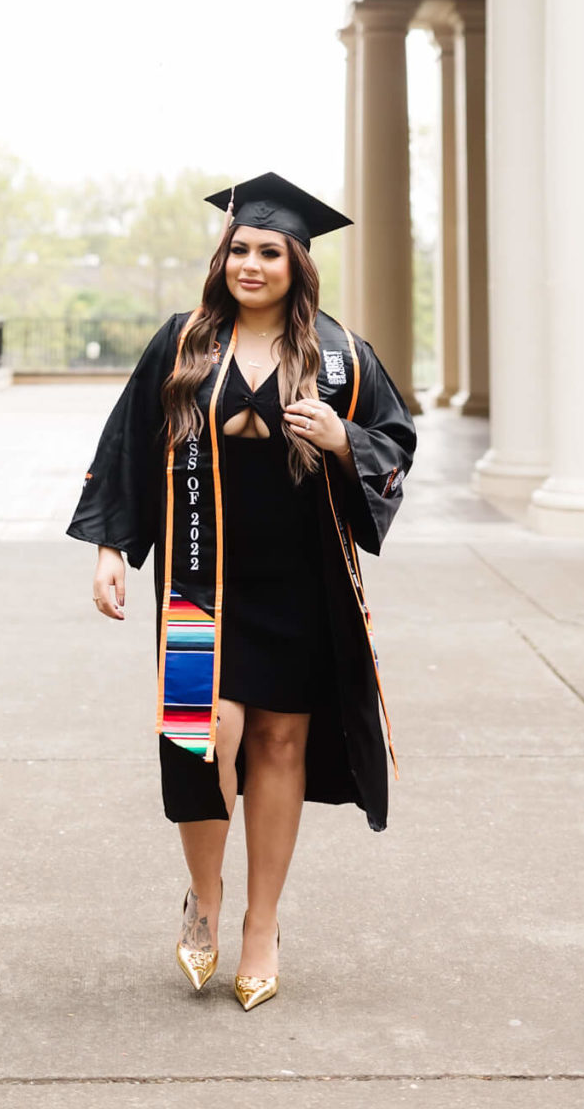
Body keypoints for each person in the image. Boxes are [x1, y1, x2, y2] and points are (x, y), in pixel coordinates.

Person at [67, 171, 415, 1009]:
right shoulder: (183, 343)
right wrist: (113, 546)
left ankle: (262, 923)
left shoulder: (337, 354)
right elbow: (127, 442)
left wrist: (341, 439)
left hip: (297, 585)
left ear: (296, 262)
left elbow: (394, 442)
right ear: (220, 255)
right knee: (203, 735)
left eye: (267, 252)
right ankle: (206, 896)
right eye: (237, 250)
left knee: (280, 745)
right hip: (199, 578)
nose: (248, 264)